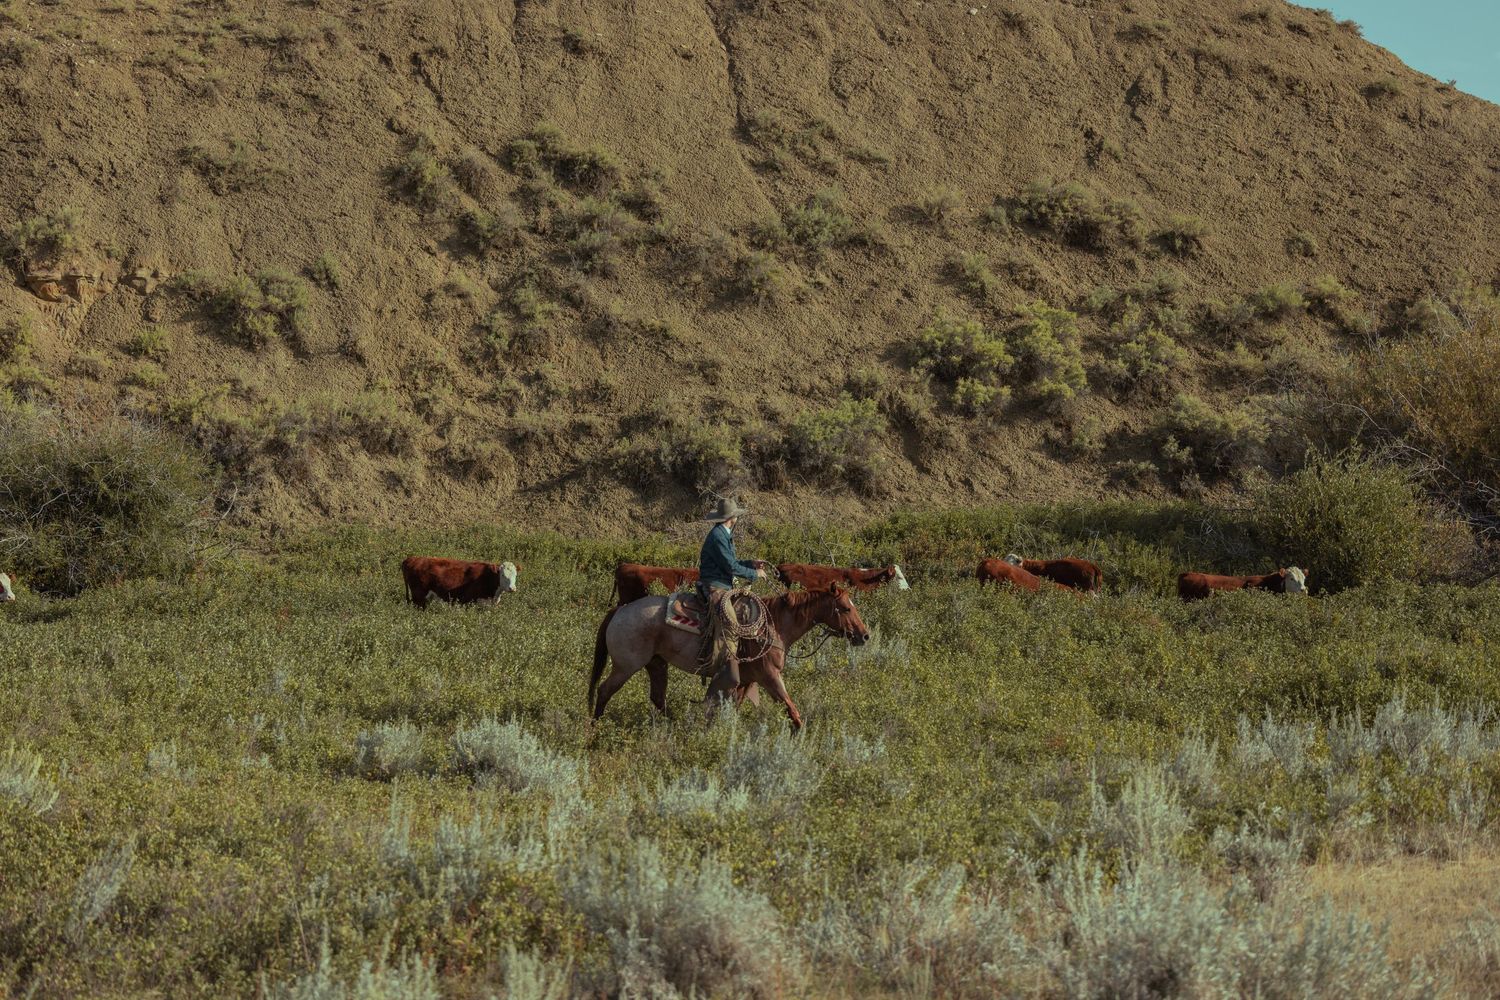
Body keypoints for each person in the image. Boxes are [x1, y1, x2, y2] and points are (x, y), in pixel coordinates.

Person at [696, 496, 766, 698]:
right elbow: (730, 567)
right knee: (731, 623)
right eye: (736, 515)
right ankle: (721, 663)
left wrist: (750, 563)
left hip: (722, 584)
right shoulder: (719, 535)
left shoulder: (723, 533)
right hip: (715, 586)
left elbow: (731, 561)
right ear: (732, 517)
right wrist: (755, 574)